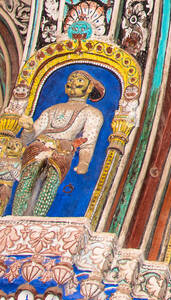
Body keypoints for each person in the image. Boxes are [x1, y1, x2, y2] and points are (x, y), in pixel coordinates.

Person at [11, 69, 105, 215]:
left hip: (64, 148)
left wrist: (84, 162)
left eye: (79, 80)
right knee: (29, 173)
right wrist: (29, 128)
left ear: (90, 87)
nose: (74, 82)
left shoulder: (92, 113)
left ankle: (38, 216)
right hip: (39, 144)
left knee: (52, 179)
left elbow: (88, 141)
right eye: (71, 78)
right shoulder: (51, 109)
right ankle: (17, 214)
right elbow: (27, 139)